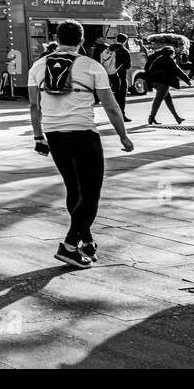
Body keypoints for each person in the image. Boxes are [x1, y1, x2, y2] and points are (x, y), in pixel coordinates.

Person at [28, 20, 133, 269]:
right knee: (90, 194)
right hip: (83, 133)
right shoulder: (91, 66)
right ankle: (70, 245)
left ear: (57, 37)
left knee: (73, 190)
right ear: (82, 40)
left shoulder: (39, 65)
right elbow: (111, 106)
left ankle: (86, 240)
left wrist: (38, 137)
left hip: (54, 134)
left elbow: (34, 105)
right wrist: (123, 136)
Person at [144, 45, 190, 125]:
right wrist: (187, 80)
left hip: (154, 82)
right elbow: (178, 71)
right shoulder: (169, 60)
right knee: (158, 100)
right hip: (163, 83)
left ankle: (177, 118)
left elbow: (150, 70)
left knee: (168, 100)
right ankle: (151, 117)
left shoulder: (158, 59)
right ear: (171, 53)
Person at [102, 34, 133, 122]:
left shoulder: (109, 49)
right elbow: (128, 66)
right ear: (125, 41)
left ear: (116, 39)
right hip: (120, 76)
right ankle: (121, 115)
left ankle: (112, 115)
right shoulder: (124, 51)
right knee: (121, 96)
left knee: (113, 96)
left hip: (109, 76)